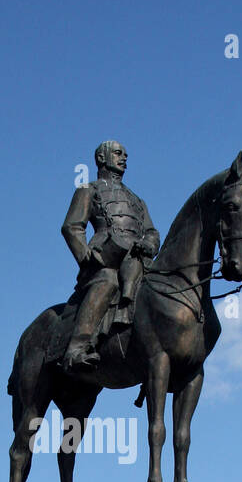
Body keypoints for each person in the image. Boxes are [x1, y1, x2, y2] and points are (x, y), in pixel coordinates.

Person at [60, 140, 159, 370]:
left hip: (137, 259)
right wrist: (87, 256)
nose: (124, 158)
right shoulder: (88, 190)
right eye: (118, 153)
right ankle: (77, 348)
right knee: (108, 281)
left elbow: (152, 231)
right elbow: (72, 227)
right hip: (105, 258)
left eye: (125, 154)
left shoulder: (137, 200)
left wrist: (149, 244)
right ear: (102, 158)